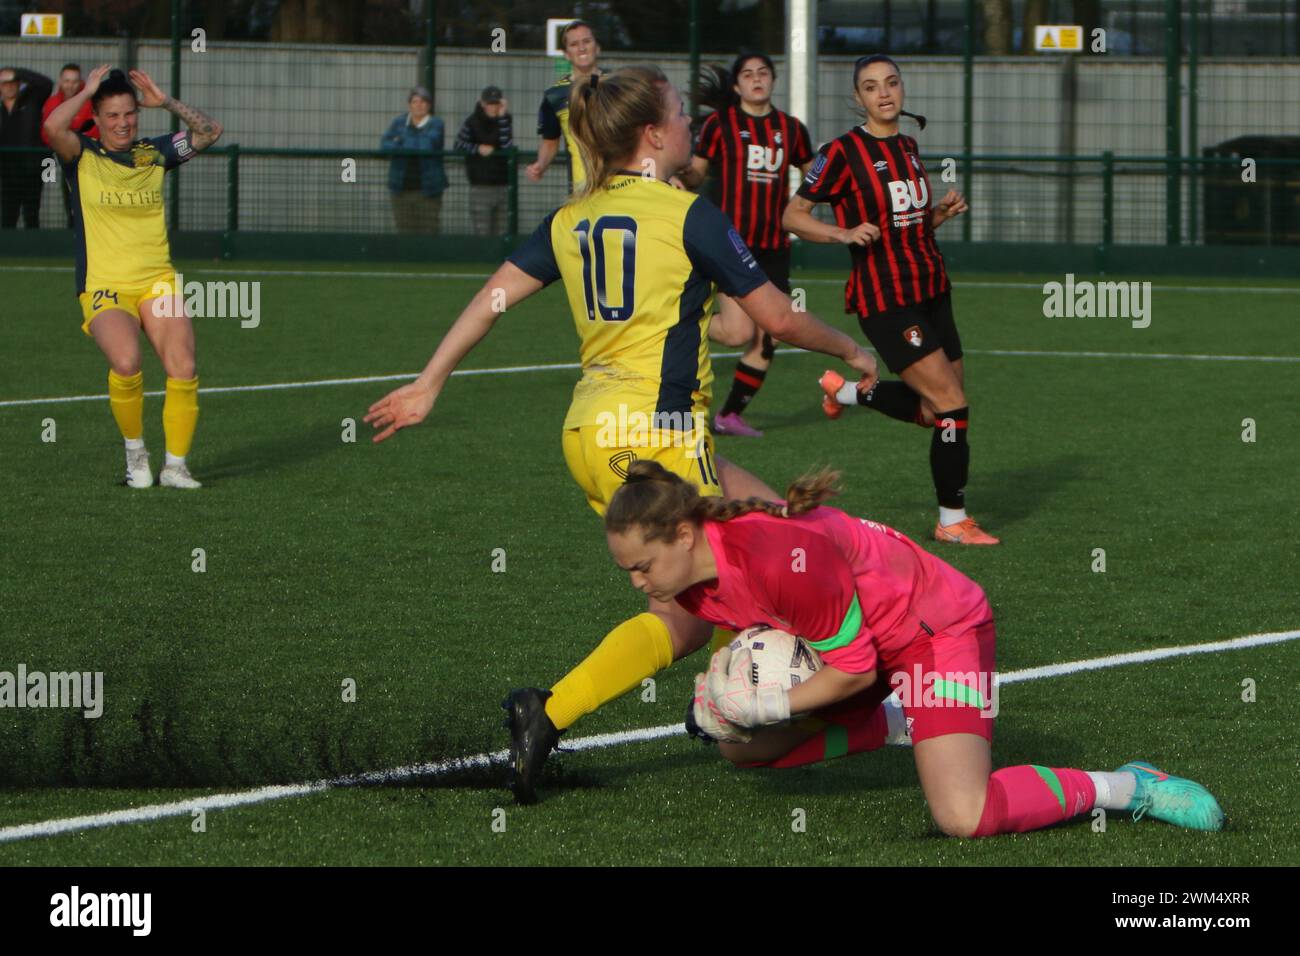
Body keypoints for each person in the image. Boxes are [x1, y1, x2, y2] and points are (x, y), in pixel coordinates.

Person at [365, 66, 879, 804]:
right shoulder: (689, 214)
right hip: (659, 430)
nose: (689, 125)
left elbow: (495, 297)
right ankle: (721, 709)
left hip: (587, 431)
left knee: (760, 531)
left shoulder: (576, 217)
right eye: (677, 113)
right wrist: (855, 351)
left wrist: (429, 381)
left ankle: (621, 709)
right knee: (751, 570)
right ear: (651, 134)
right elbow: (780, 321)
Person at [603, 460, 1226, 837]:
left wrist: (761, 704)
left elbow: (850, 672)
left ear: (685, 535)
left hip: (939, 631)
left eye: (642, 566)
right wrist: (718, 701)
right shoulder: (689, 580)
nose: (637, 583)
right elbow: (773, 636)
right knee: (744, 754)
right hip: (865, 647)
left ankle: (1129, 786)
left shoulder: (774, 558)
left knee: (964, 816)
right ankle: (904, 720)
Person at [784, 54, 998, 545]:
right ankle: (951, 521)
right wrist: (841, 233)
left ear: (902, 90)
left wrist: (939, 214)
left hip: (933, 288)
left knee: (933, 413)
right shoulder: (838, 152)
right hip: (886, 298)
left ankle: (847, 393)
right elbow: (793, 216)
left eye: (892, 83)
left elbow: (905, 224)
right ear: (857, 98)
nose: (884, 93)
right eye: (871, 86)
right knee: (951, 404)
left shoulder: (907, 145)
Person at [45, 66, 222, 489]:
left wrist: (166, 104)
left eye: (130, 114)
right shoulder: (81, 154)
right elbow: (52, 126)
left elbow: (210, 131)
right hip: (105, 284)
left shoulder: (151, 153)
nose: (123, 123)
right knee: (126, 362)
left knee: (183, 366)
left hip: (156, 280)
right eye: (112, 115)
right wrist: (86, 89)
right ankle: (135, 454)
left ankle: (175, 465)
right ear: (98, 117)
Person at [680, 53, 814, 438]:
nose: (757, 80)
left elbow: (813, 176)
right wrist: (673, 170)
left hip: (774, 247)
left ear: (773, 80)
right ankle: (679, 320)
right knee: (738, 334)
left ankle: (729, 416)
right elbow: (696, 174)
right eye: (748, 75)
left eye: (764, 73)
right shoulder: (721, 125)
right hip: (731, 243)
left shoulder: (791, 129)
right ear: (737, 86)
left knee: (771, 333)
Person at [525, 19, 600, 189]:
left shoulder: (619, 85)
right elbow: (550, 142)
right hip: (582, 191)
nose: (582, 48)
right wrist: (541, 165)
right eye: (574, 44)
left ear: (597, 47)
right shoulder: (554, 95)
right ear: (567, 54)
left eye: (587, 41)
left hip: (621, 188)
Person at [382, 86, 447, 234]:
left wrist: (400, 141)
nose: (419, 105)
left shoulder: (437, 124)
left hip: (429, 189)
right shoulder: (398, 122)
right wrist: (410, 141)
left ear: (429, 105)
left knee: (429, 232)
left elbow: (427, 145)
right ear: (409, 105)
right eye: (415, 101)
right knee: (404, 232)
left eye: (423, 102)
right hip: (400, 189)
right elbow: (384, 145)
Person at [41, 63, 99, 225]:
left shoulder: (89, 102)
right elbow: (47, 132)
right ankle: (71, 224)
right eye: (67, 81)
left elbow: (94, 130)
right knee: (67, 192)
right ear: (60, 81)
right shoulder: (52, 103)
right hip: (59, 155)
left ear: (80, 81)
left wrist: (67, 134)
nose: (70, 85)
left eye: (74, 81)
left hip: (88, 157)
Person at [454, 85, 513, 237]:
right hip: (480, 185)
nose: (493, 107)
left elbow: (507, 145)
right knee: (482, 231)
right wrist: (477, 148)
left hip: (502, 184)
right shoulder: (472, 122)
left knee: (502, 231)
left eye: (496, 104)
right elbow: (458, 145)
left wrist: (502, 118)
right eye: (490, 103)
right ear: (482, 103)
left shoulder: (505, 120)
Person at [0, 66, 53, 229]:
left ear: (18, 83)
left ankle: (35, 250)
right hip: (7, 172)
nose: (9, 86)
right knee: (8, 215)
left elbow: (46, 84)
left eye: (12, 82)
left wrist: (17, 72)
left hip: (32, 170)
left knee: (31, 214)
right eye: (4, 83)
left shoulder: (31, 100)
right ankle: (8, 251)